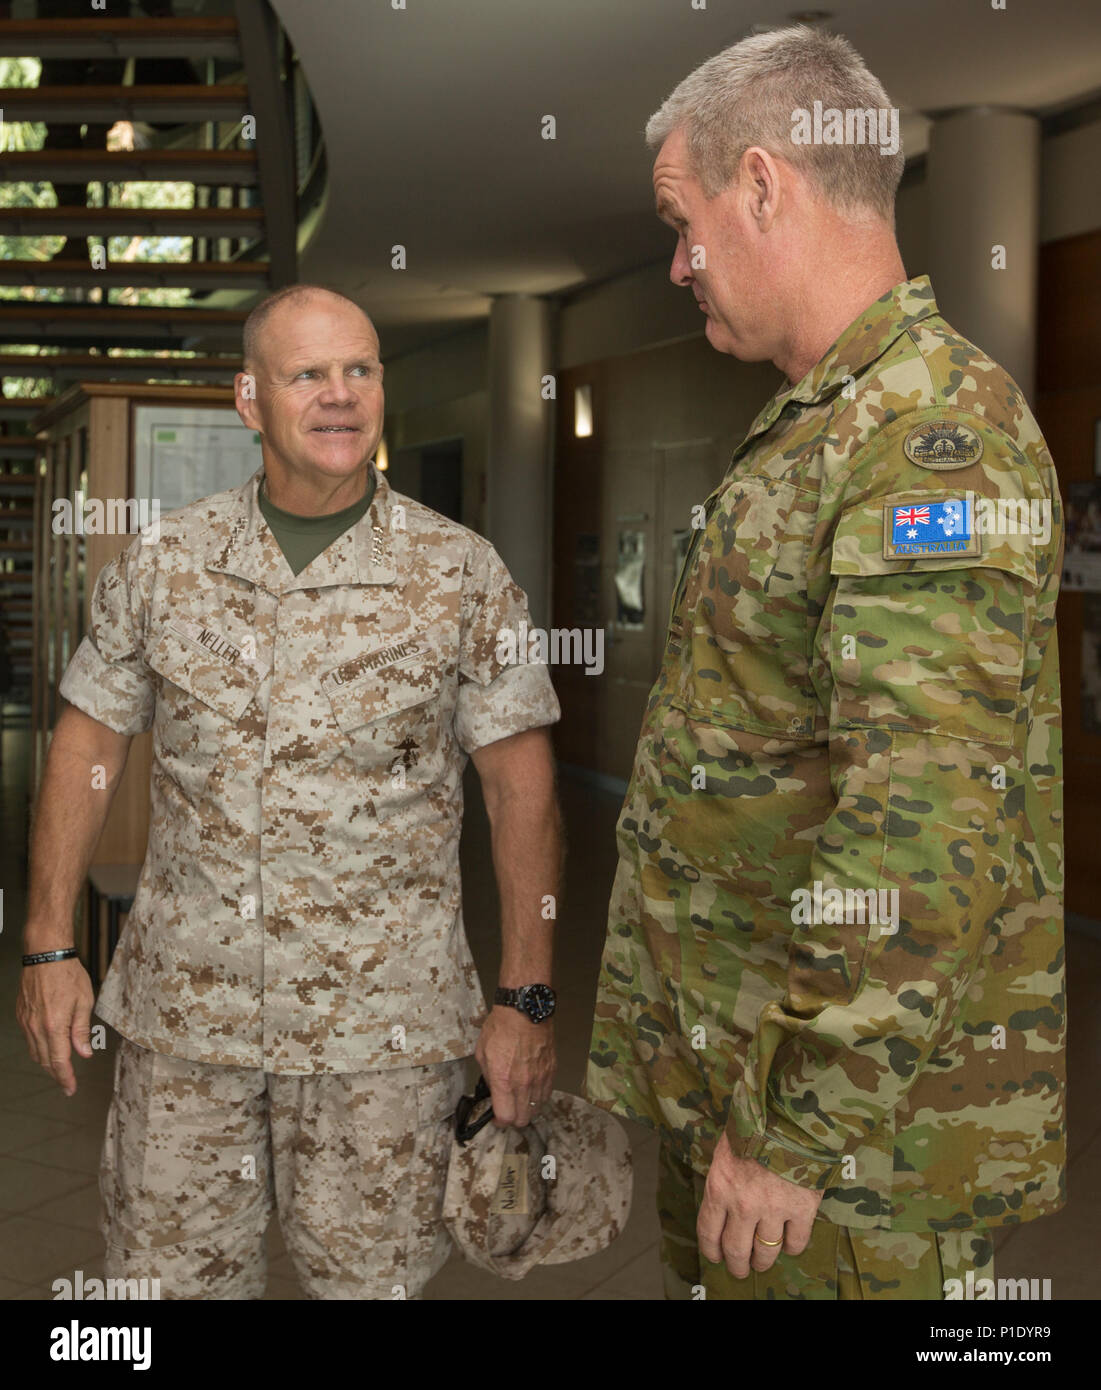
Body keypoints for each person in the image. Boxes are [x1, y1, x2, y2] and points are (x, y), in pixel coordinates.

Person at [586, 25, 1065, 1301]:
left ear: (762, 185)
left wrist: (792, 1130)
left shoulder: (929, 435)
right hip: (755, 1098)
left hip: (855, 1165)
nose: (681, 265)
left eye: (685, 225)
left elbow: (918, 835)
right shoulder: (824, 421)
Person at [17, 284, 564, 1300]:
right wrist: (50, 943)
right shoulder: (168, 564)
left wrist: (525, 997)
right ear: (248, 399)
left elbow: (520, 794)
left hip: (384, 1047)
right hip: (188, 1030)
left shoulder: (459, 574)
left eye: (360, 369)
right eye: (307, 373)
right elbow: (86, 748)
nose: (340, 395)